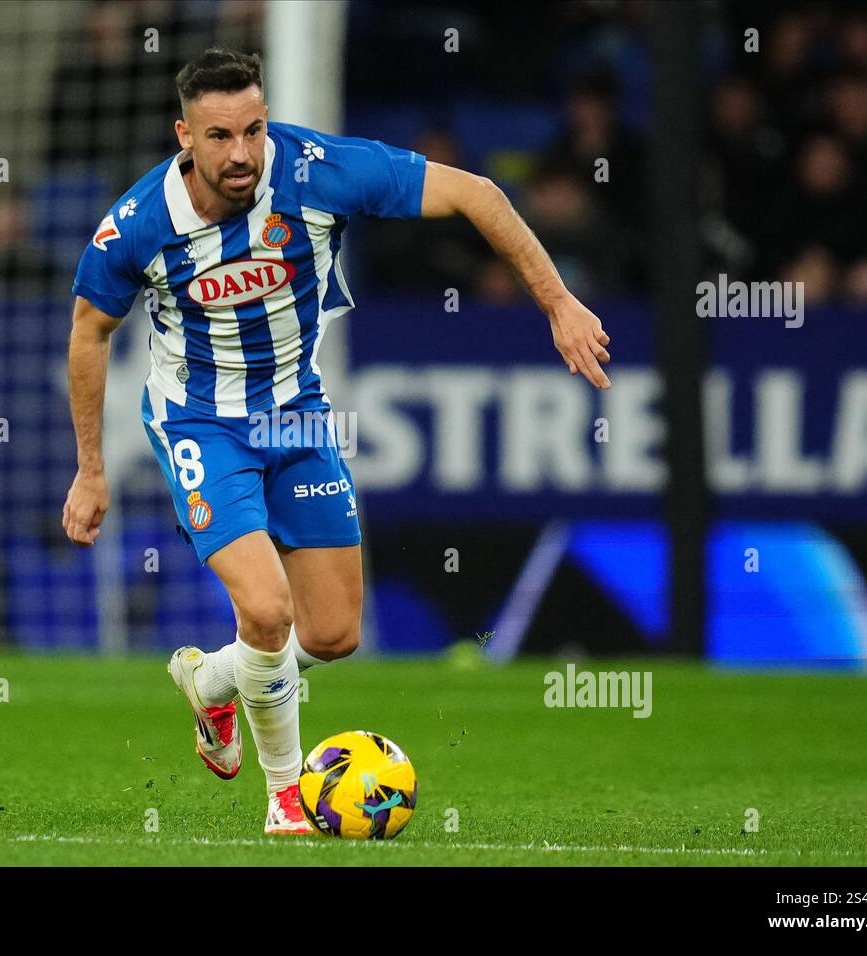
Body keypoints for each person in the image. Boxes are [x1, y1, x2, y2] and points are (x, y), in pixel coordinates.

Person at [62, 49, 610, 834]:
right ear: (186, 135)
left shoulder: (319, 171)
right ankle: (286, 797)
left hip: (297, 417)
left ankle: (212, 683)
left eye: (253, 129)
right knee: (266, 608)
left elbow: (478, 193)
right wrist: (90, 471)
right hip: (199, 422)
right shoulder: (140, 224)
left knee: (333, 633)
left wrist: (558, 304)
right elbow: (90, 334)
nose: (243, 152)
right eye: (220, 136)